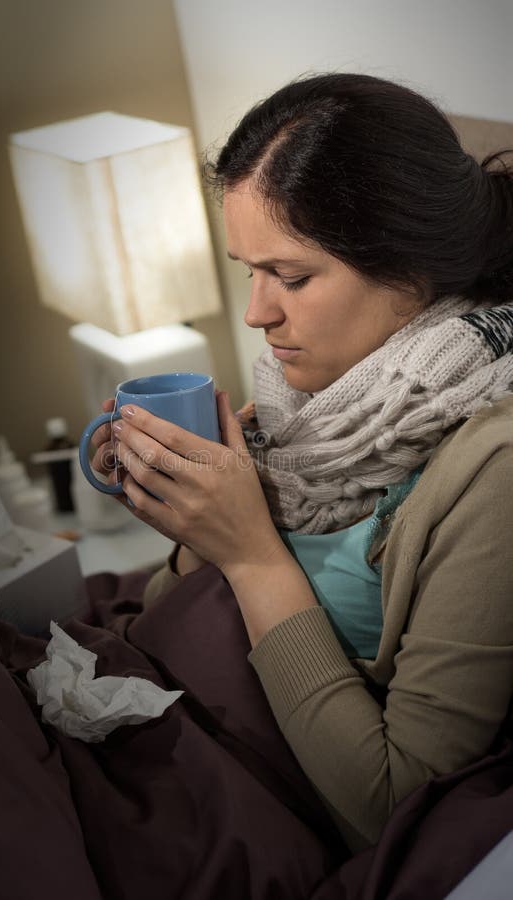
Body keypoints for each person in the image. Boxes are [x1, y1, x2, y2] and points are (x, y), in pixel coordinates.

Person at [90, 73, 513, 851]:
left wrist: (250, 555)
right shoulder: (312, 409)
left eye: (289, 276)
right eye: (247, 271)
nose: (256, 313)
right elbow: (154, 628)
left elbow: (394, 806)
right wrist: (191, 526)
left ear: (410, 267)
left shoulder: (496, 467)